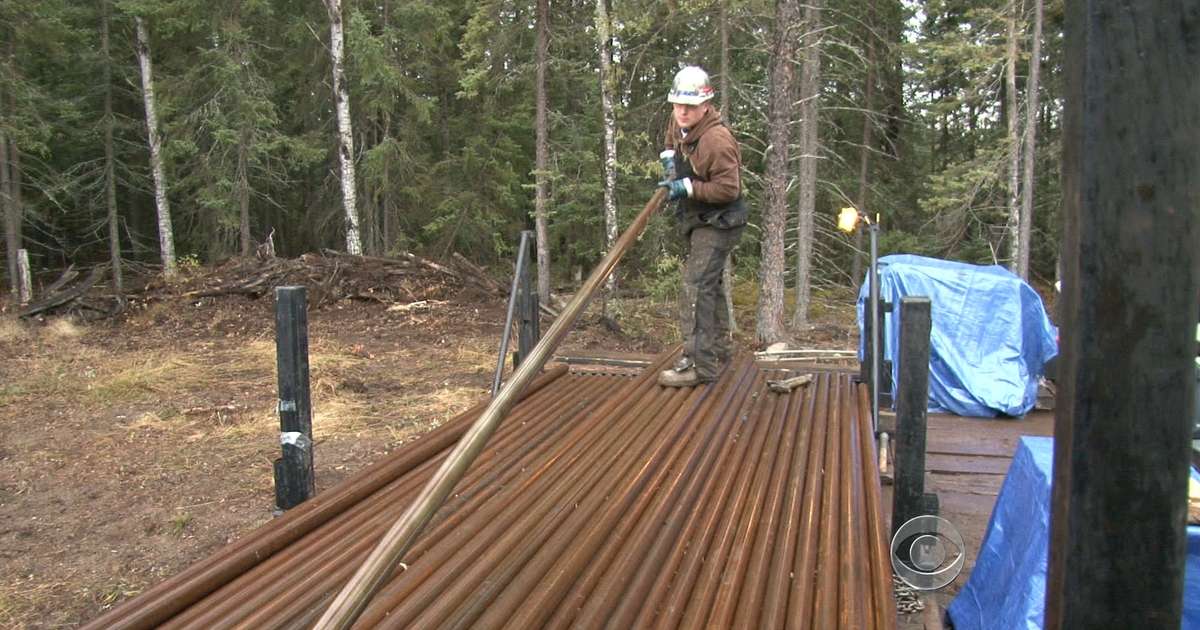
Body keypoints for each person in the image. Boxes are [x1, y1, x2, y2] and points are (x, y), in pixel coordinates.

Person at [655, 65, 748, 388]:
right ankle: (719, 348)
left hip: (720, 220)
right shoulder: (680, 120)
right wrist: (670, 166)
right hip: (698, 216)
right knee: (710, 284)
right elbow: (671, 140)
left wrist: (686, 188)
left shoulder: (716, 140)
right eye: (678, 104)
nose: (682, 111)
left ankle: (699, 364)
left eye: (690, 106)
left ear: (706, 106)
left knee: (696, 285)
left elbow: (728, 189)